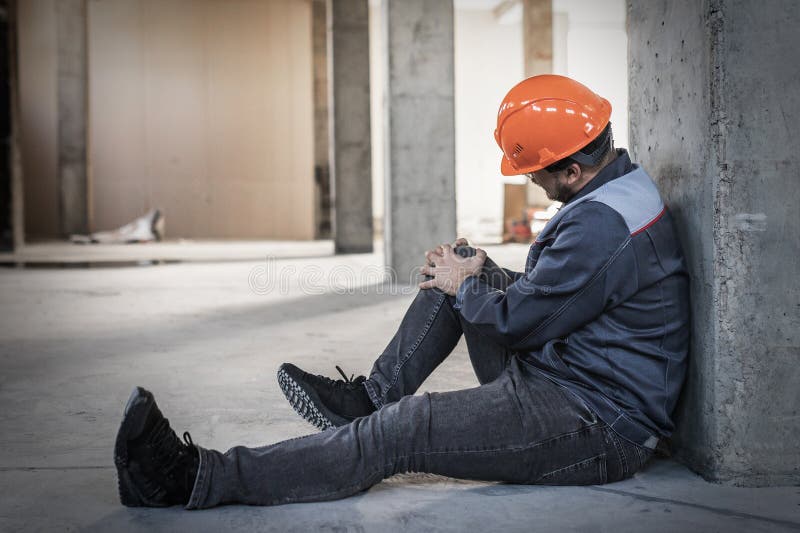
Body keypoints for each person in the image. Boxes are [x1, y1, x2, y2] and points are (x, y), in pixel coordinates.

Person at [114, 75, 689, 509]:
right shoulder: (616, 190)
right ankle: (371, 397)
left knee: (404, 430)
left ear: (571, 171)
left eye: (534, 172)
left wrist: (468, 285)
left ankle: (192, 478)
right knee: (453, 279)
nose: (532, 181)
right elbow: (568, 297)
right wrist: (472, 272)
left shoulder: (599, 225)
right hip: (569, 367)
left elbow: (520, 324)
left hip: (593, 422)